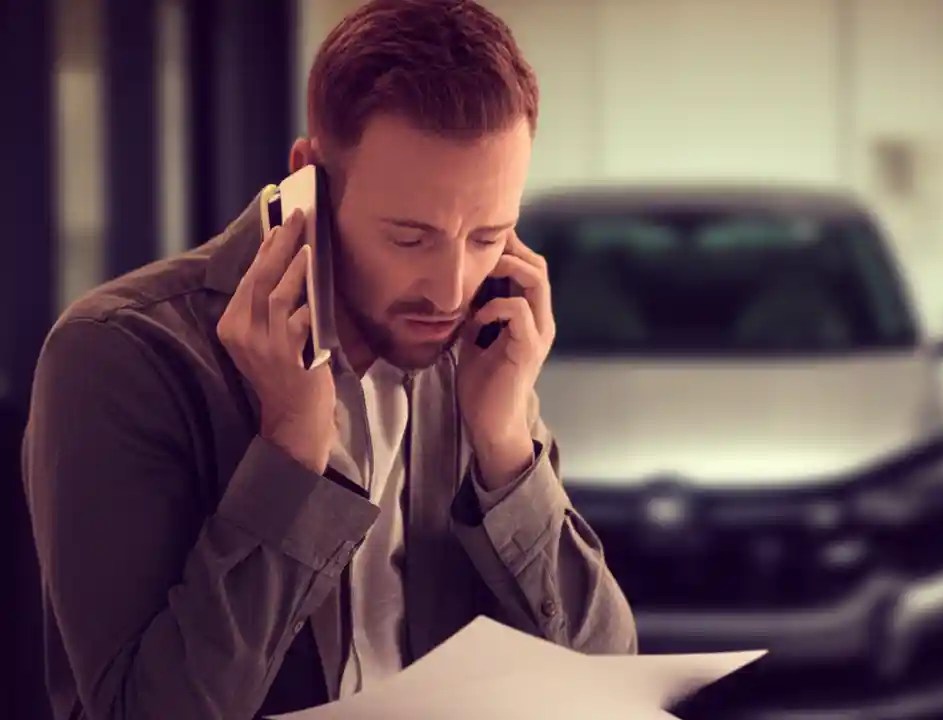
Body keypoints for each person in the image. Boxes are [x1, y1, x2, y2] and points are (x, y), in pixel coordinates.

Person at [21, 1, 637, 718]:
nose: (450, 288)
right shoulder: (118, 355)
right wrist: (290, 455)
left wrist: (506, 452)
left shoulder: (480, 345)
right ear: (307, 178)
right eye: (409, 238)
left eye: (487, 235)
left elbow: (602, 674)